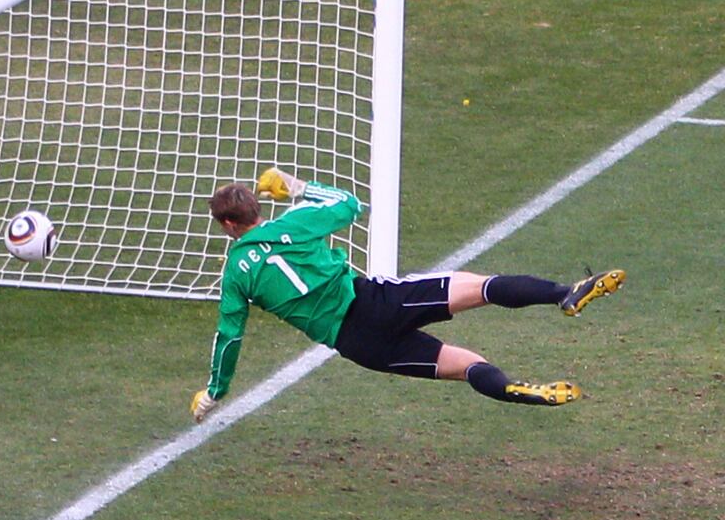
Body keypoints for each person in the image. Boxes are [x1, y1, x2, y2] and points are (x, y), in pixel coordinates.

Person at [189, 168, 625, 422]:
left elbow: (229, 337)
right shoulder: (296, 223)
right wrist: (295, 186)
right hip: (373, 301)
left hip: (357, 344)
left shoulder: (234, 276)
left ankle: (512, 388)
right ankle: (564, 293)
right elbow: (348, 203)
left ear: (228, 226)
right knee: (480, 287)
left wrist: (214, 392)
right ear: (257, 209)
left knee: (465, 365)